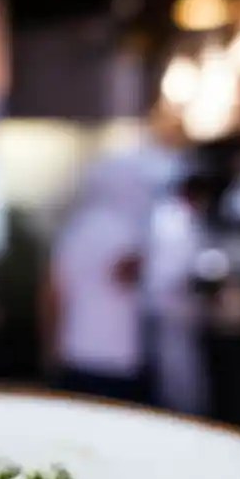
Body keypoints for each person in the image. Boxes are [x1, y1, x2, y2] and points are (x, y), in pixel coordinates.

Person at [42, 157, 155, 402]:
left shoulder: (75, 229)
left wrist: (51, 347)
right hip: (117, 355)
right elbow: (126, 275)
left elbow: (53, 292)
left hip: (76, 350)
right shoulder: (127, 229)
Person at [145, 174, 210, 415]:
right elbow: (180, 269)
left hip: (169, 305)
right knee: (179, 375)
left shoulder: (172, 217)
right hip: (173, 305)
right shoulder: (176, 221)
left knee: (174, 372)